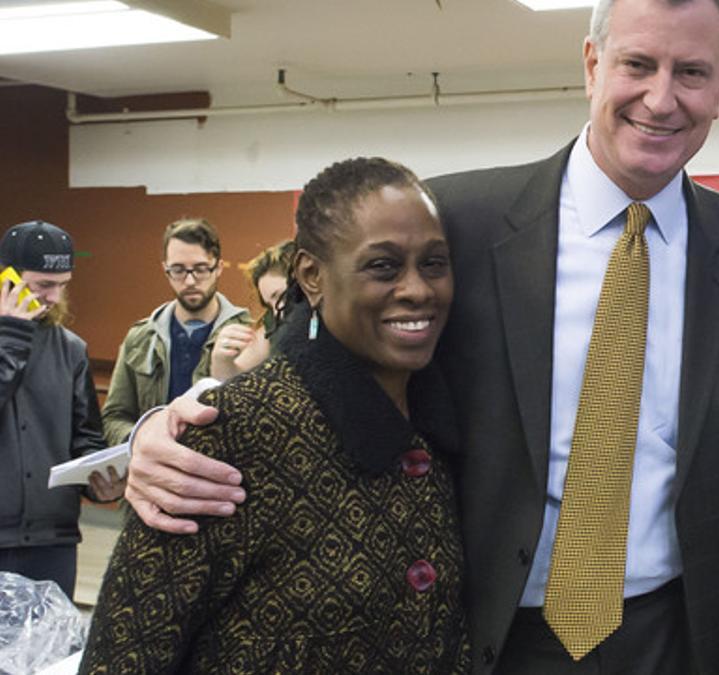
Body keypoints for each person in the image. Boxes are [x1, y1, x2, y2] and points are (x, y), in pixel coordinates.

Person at [120, 2, 719, 673]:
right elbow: (329, 346)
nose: (662, 98)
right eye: (639, 66)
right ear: (590, 64)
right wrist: (180, 418)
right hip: (487, 627)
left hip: (678, 635)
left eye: (691, 72)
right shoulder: (468, 222)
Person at [80, 157, 470, 673]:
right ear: (311, 276)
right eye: (384, 265)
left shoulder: (452, 423)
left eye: (434, 264)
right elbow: (126, 653)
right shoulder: (228, 433)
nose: (418, 289)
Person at [0, 220, 123, 600]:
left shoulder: (70, 349)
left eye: (62, 285)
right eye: (43, 285)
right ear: (6, 280)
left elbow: (85, 437)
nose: (55, 297)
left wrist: (98, 480)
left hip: (52, 540)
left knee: (49, 659)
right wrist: (11, 338)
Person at [101, 217, 250, 445]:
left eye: (200, 269)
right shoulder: (141, 338)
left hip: (221, 471)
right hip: (156, 470)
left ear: (218, 267)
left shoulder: (246, 334)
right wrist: (143, 441)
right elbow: (114, 416)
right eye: (179, 270)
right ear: (165, 270)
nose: (190, 281)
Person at [209, 240, 295, 381]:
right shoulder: (274, 324)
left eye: (281, 296)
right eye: (269, 305)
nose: (276, 312)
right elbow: (234, 378)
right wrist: (221, 360)